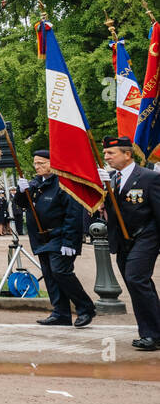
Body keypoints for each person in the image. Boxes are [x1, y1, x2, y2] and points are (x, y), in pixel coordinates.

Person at [16, 149, 95, 327]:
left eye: (42, 163)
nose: (37, 167)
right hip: (42, 238)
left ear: (53, 163)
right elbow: (22, 204)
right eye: (35, 163)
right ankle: (61, 312)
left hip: (60, 235)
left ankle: (85, 308)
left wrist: (70, 240)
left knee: (60, 271)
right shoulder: (35, 183)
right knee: (50, 274)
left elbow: (72, 214)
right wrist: (22, 192)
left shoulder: (64, 183)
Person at [100, 135, 160, 351]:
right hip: (122, 239)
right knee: (137, 284)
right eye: (105, 153)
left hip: (146, 236)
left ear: (127, 154)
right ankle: (154, 330)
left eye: (111, 153)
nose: (106, 157)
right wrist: (103, 189)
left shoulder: (148, 177)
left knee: (136, 278)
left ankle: (151, 335)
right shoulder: (111, 178)